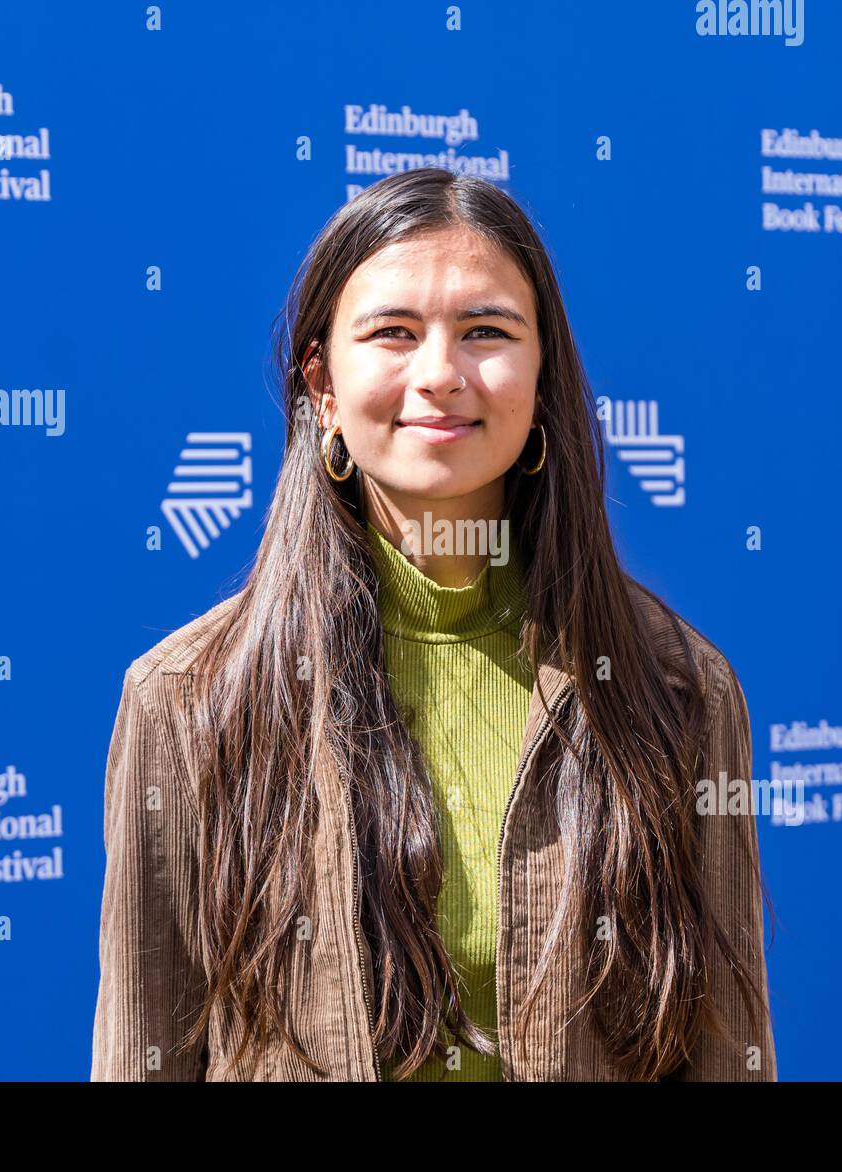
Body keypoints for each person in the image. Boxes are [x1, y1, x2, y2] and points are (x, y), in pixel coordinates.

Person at [91, 167, 777, 1082]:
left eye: (486, 331)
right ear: (322, 387)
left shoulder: (676, 687)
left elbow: (728, 1056)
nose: (441, 374)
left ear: (542, 379)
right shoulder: (188, 701)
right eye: (393, 333)